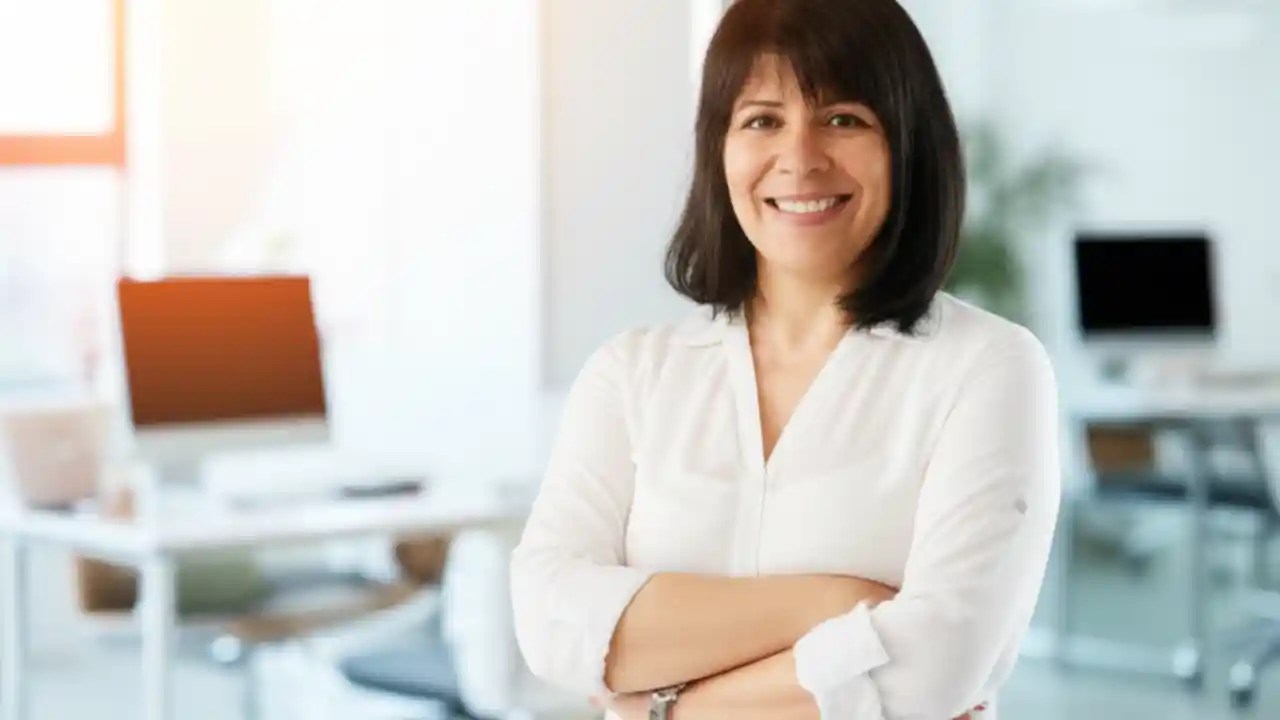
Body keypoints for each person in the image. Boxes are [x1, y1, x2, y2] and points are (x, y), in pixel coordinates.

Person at [510, 1, 1060, 718]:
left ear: (908, 144)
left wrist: (662, 709)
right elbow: (551, 623)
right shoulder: (632, 374)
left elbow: (937, 665)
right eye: (762, 119)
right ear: (720, 150)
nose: (800, 157)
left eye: (843, 119)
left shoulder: (988, 369)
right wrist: (837, 604)